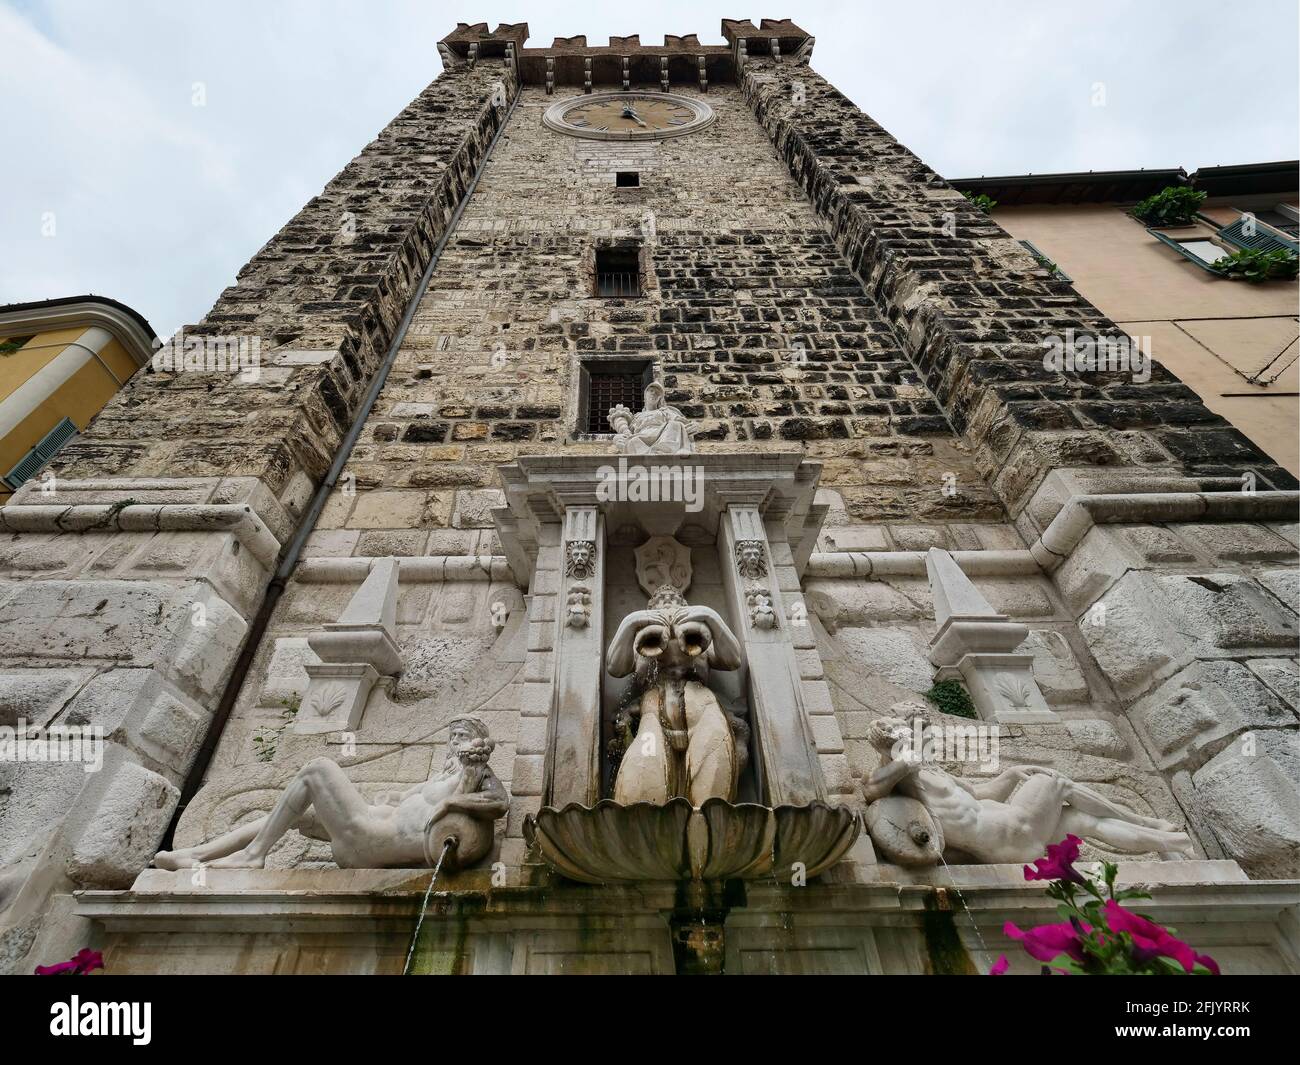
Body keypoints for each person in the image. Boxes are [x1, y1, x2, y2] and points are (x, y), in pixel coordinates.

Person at [153, 716, 507, 870]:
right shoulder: (442, 774)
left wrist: (450, 801)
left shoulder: (474, 772)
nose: (454, 741)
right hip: (367, 835)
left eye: (462, 734)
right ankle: (195, 856)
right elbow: (411, 804)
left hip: (371, 838)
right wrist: (396, 798)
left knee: (317, 769)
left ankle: (252, 856)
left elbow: (500, 802)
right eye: (453, 735)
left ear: (478, 741)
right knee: (290, 817)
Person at [861, 716, 1193, 863]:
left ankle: (1172, 844)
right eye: (898, 732)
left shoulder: (935, 775)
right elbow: (872, 790)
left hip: (1013, 834)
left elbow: (981, 795)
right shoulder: (898, 778)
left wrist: (1011, 773)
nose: (909, 735)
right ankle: (1150, 824)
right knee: (1055, 782)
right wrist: (903, 759)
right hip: (1008, 834)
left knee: (1083, 821)